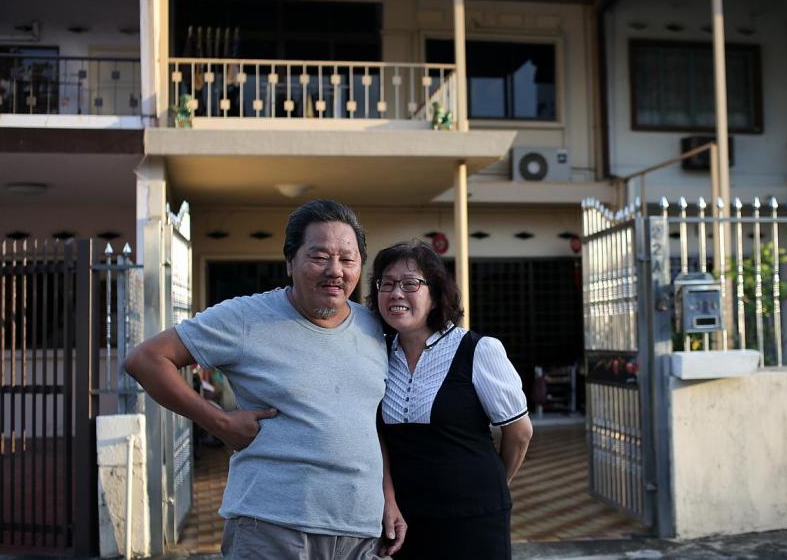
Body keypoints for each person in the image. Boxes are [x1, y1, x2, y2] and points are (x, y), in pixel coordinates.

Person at [125, 200, 406, 560]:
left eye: (347, 259)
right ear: (290, 261)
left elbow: (368, 422)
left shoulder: (372, 326)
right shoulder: (246, 318)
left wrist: (388, 498)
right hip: (272, 526)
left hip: (359, 530)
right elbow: (146, 359)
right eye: (319, 257)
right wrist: (219, 421)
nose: (335, 270)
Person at [369, 241, 533, 560]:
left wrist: (492, 486)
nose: (396, 293)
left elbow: (520, 433)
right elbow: (378, 438)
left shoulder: (478, 351)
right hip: (405, 517)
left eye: (410, 283)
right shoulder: (378, 354)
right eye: (386, 283)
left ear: (435, 294)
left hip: (473, 517)